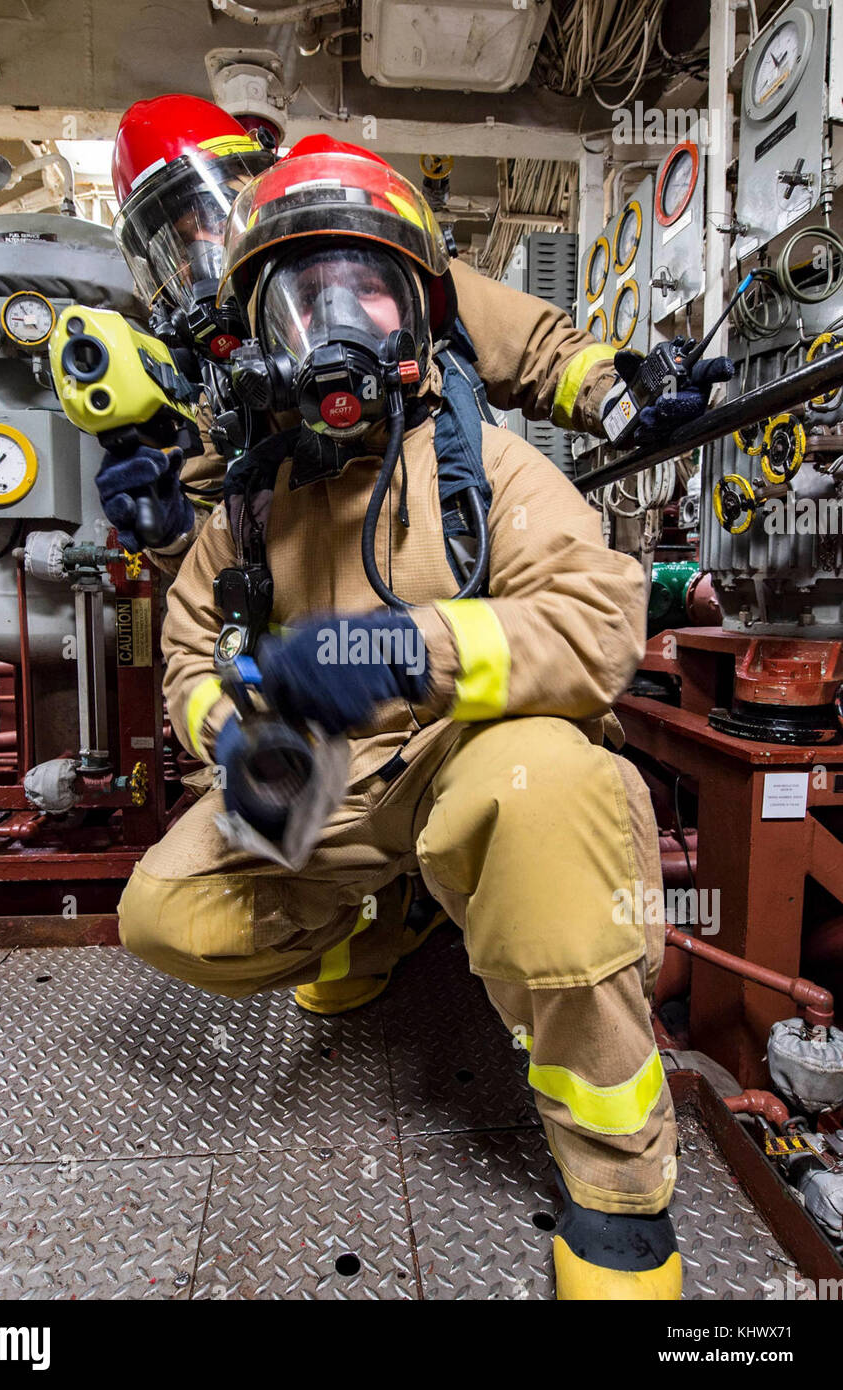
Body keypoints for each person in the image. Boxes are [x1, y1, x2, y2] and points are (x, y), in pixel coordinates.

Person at [116, 143, 682, 1300]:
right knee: (163, 912)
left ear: (419, 319)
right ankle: (380, 923)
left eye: (367, 293)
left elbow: (600, 624)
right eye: (300, 296)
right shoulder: (247, 506)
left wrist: (398, 650)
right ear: (256, 329)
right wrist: (225, 726)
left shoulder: (483, 469)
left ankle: (619, 1192)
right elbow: (181, 649)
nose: (336, 323)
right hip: (335, 790)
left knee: (543, 789)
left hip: (460, 760)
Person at [101, 96, 729, 567]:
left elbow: (536, 353)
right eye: (177, 246)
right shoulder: (202, 384)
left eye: (206, 219)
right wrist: (173, 529)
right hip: (309, 593)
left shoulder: (380, 260)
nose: (202, 256)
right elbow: (216, 567)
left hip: (426, 538)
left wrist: (622, 396)